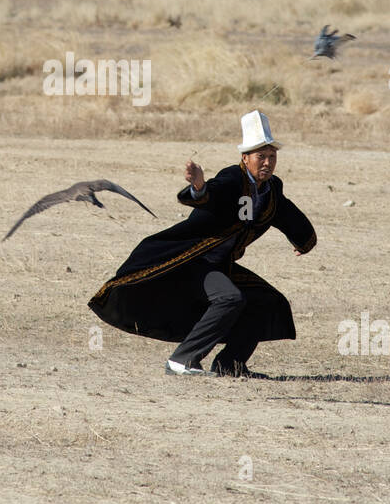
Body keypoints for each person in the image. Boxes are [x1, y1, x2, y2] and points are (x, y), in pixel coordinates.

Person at [88, 110, 316, 378]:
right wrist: (199, 187)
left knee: (267, 301)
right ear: (245, 158)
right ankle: (182, 360)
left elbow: (287, 214)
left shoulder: (272, 189)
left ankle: (229, 365)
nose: (267, 162)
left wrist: (303, 240)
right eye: (260, 156)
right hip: (192, 262)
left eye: (271, 156)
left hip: (221, 265)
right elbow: (213, 194)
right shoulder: (233, 178)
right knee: (230, 298)